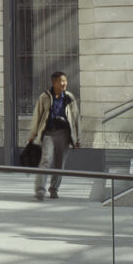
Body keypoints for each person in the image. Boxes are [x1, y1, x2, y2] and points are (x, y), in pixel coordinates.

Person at [28, 71, 79, 201]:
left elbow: (76, 118)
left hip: (64, 134)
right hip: (48, 134)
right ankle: (40, 190)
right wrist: (33, 133)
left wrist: (77, 138)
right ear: (54, 82)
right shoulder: (44, 97)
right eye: (61, 81)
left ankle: (54, 189)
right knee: (46, 160)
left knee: (59, 164)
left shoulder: (69, 97)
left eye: (65, 81)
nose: (64, 84)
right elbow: (37, 116)